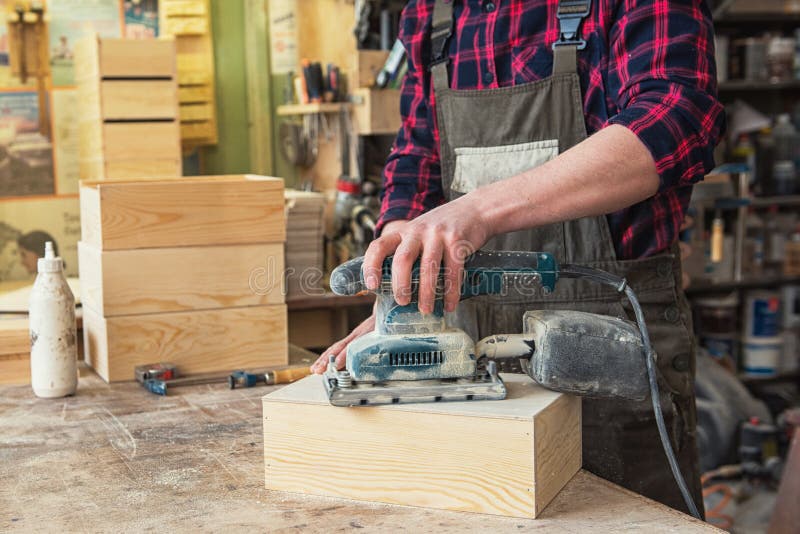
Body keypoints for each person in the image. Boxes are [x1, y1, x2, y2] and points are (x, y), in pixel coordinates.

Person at [312, 0, 724, 515]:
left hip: (605, 340)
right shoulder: (431, 12)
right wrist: (401, 283)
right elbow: (417, 156)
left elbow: (678, 118)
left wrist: (478, 211)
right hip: (462, 343)